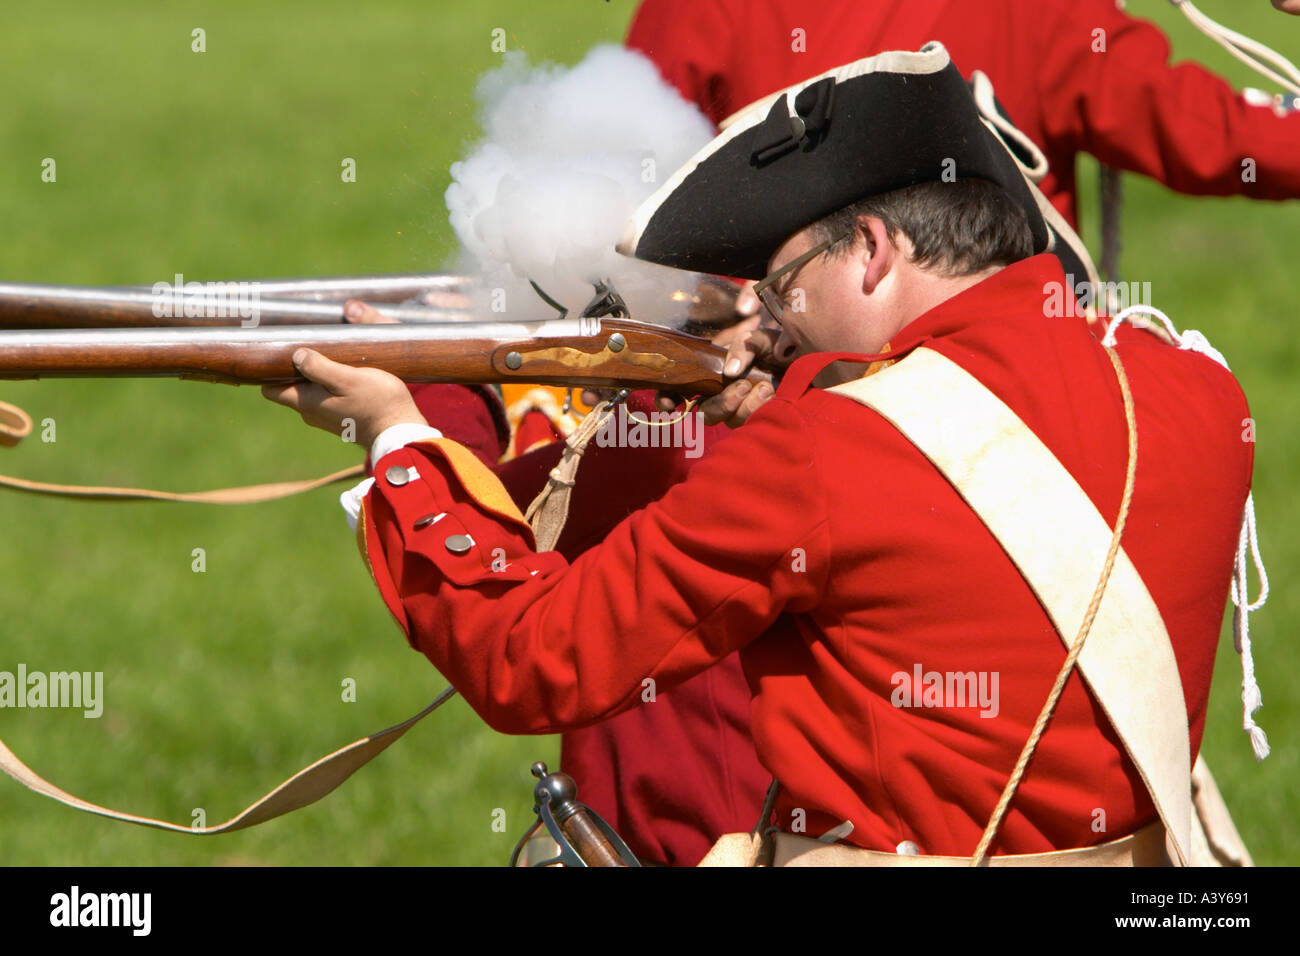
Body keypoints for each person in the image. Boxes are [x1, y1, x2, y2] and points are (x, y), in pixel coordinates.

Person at [264, 46, 1252, 863]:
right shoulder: (1194, 386)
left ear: (870, 250)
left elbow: (535, 660)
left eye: (780, 285)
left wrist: (396, 433)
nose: (769, 323)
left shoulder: (826, 448)